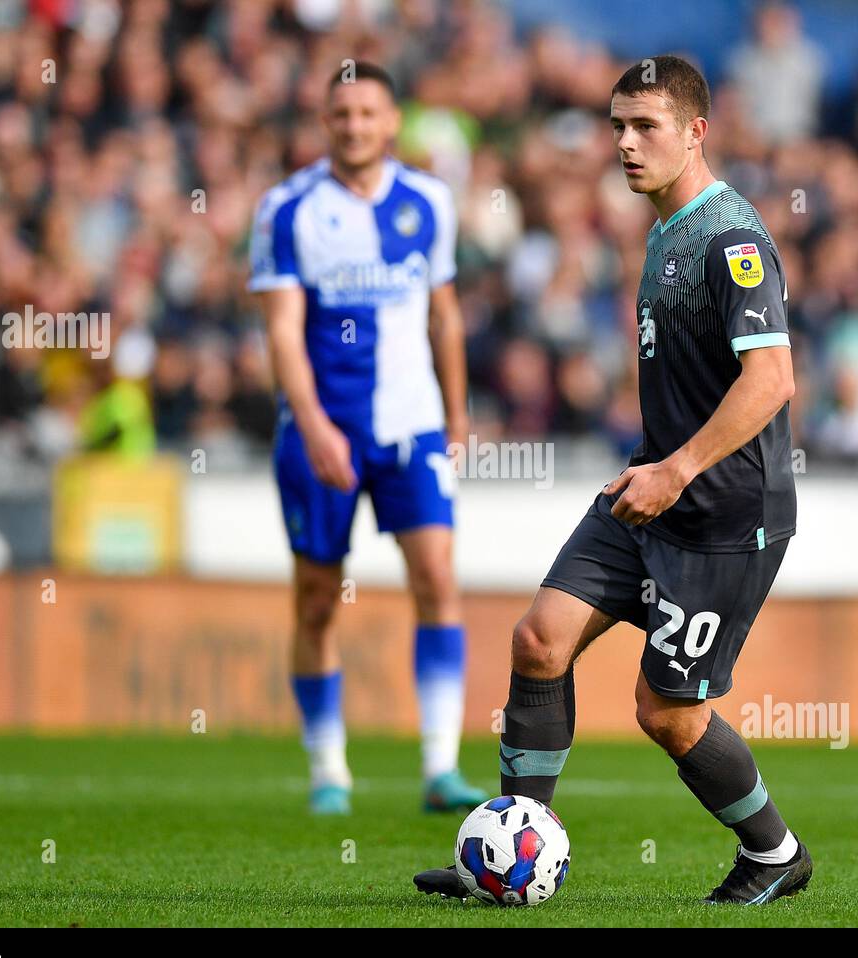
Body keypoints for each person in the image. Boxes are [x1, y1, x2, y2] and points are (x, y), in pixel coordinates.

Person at [414, 55, 811, 904]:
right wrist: (656, 461)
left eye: (646, 128)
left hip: (724, 515)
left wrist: (679, 465)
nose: (625, 145)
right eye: (617, 128)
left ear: (696, 132)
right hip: (651, 492)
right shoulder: (664, 227)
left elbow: (771, 380)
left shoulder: (730, 238)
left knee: (666, 715)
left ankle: (775, 853)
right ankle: (509, 849)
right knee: (537, 640)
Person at [249, 62, 486, 816]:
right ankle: (328, 770)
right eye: (341, 113)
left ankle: (441, 768)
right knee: (317, 599)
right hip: (325, 432)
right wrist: (315, 424)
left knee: (438, 579)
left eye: (368, 113)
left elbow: (443, 313)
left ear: (392, 123)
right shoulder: (287, 210)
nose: (354, 125)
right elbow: (283, 332)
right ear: (326, 122)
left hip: (411, 424)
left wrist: (456, 413)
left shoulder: (428, 201)